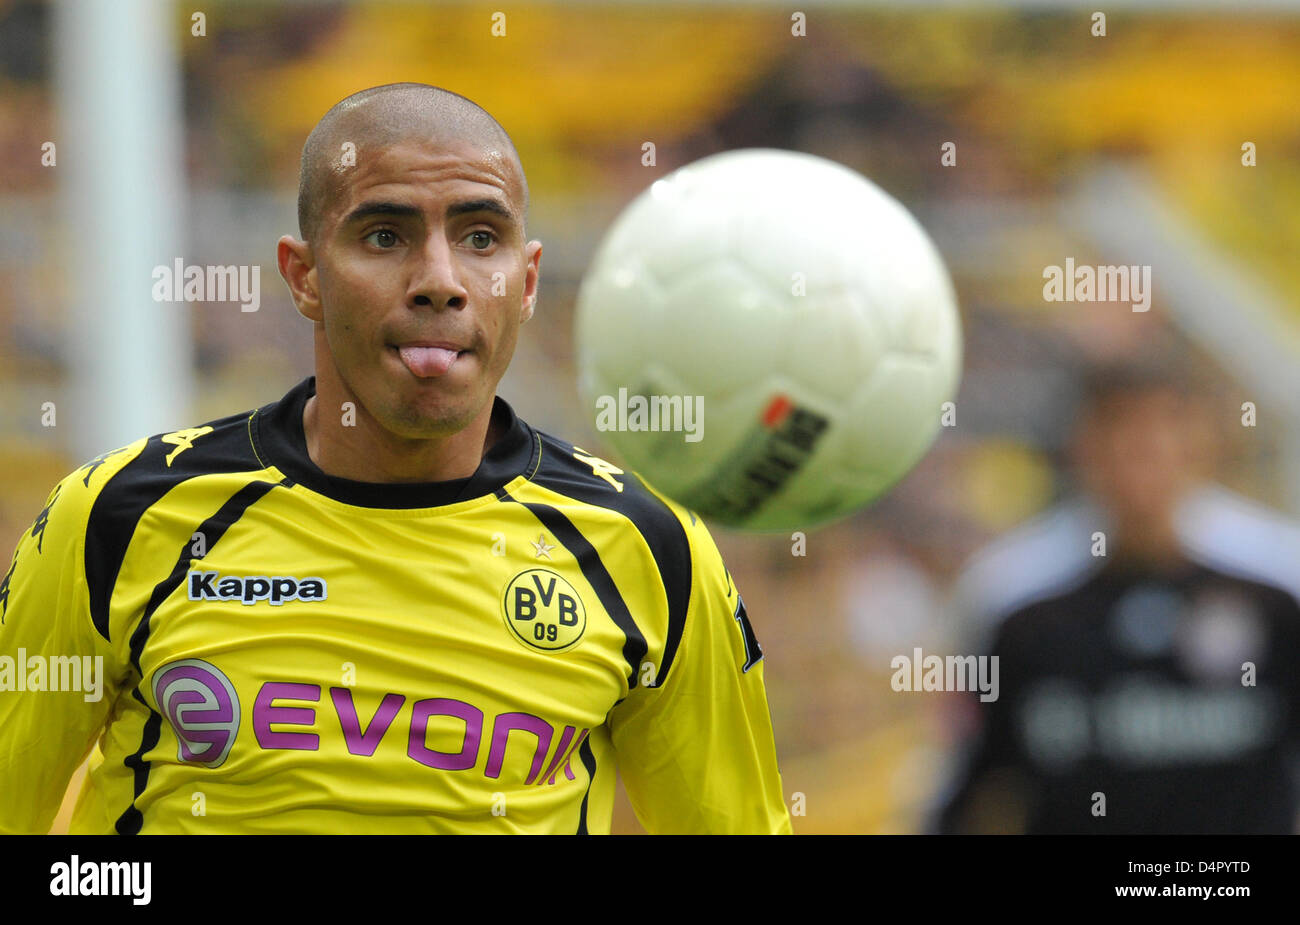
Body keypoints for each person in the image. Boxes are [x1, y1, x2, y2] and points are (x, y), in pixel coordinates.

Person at [0, 83, 791, 834]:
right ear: (303, 276)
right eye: (385, 236)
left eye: (481, 238)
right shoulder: (115, 518)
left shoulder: (651, 552)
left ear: (526, 281)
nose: (440, 282)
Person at [933, 356, 1300, 833]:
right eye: (1118, 428)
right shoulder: (1009, 595)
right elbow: (965, 778)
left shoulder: (1278, 581)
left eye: (1163, 428)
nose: (1141, 451)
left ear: (1205, 442)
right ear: (1081, 445)